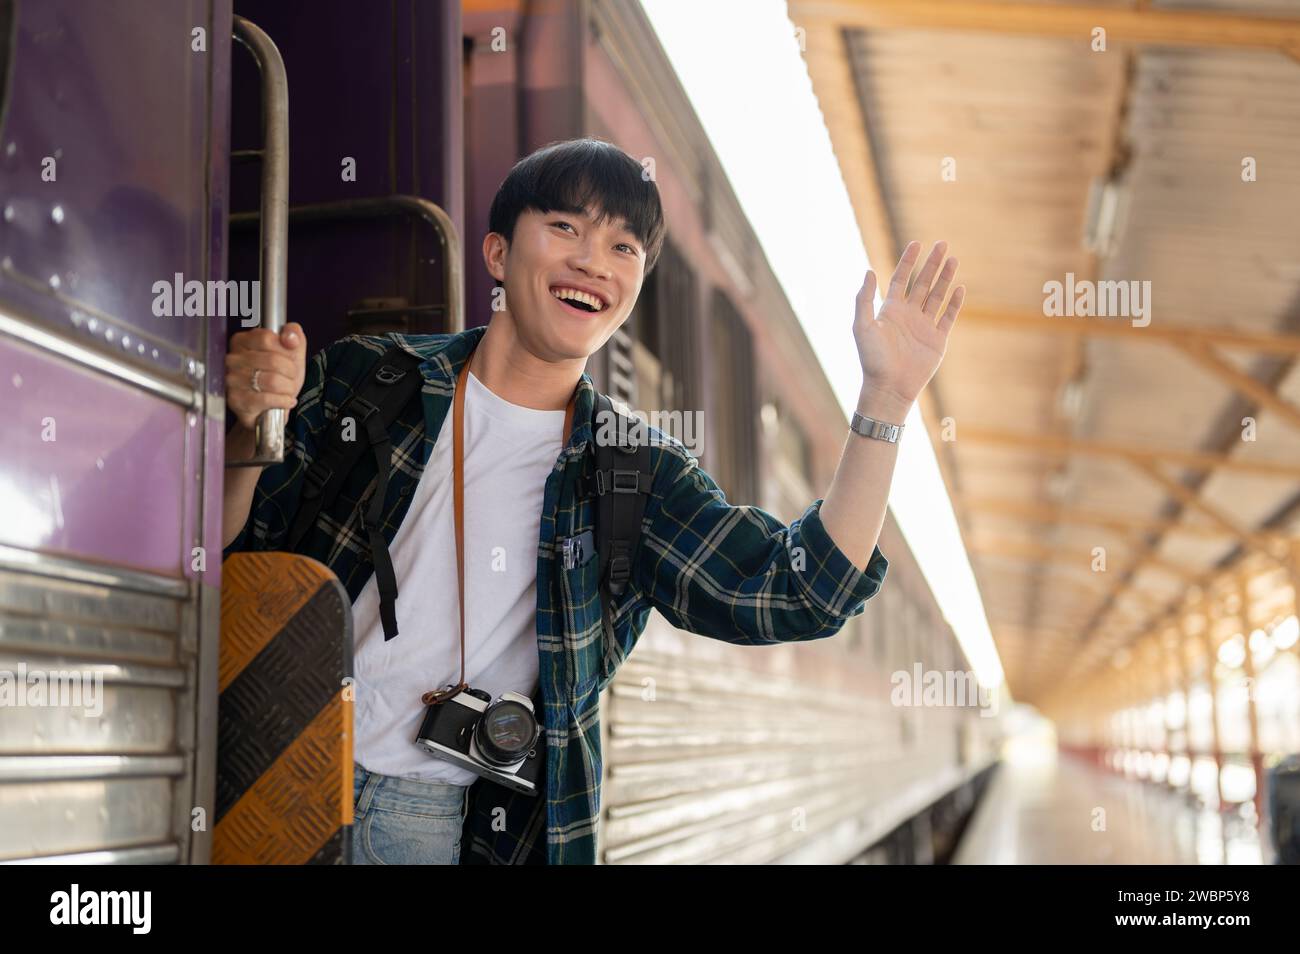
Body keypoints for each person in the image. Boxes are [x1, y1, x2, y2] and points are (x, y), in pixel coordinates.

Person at [220, 137, 964, 865]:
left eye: (623, 248)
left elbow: (803, 589)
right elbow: (225, 546)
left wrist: (886, 402)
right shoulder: (369, 379)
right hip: (261, 766)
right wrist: (248, 426)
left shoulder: (633, 473)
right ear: (499, 254)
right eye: (565, 227)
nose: (591, 261)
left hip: (422, 815)